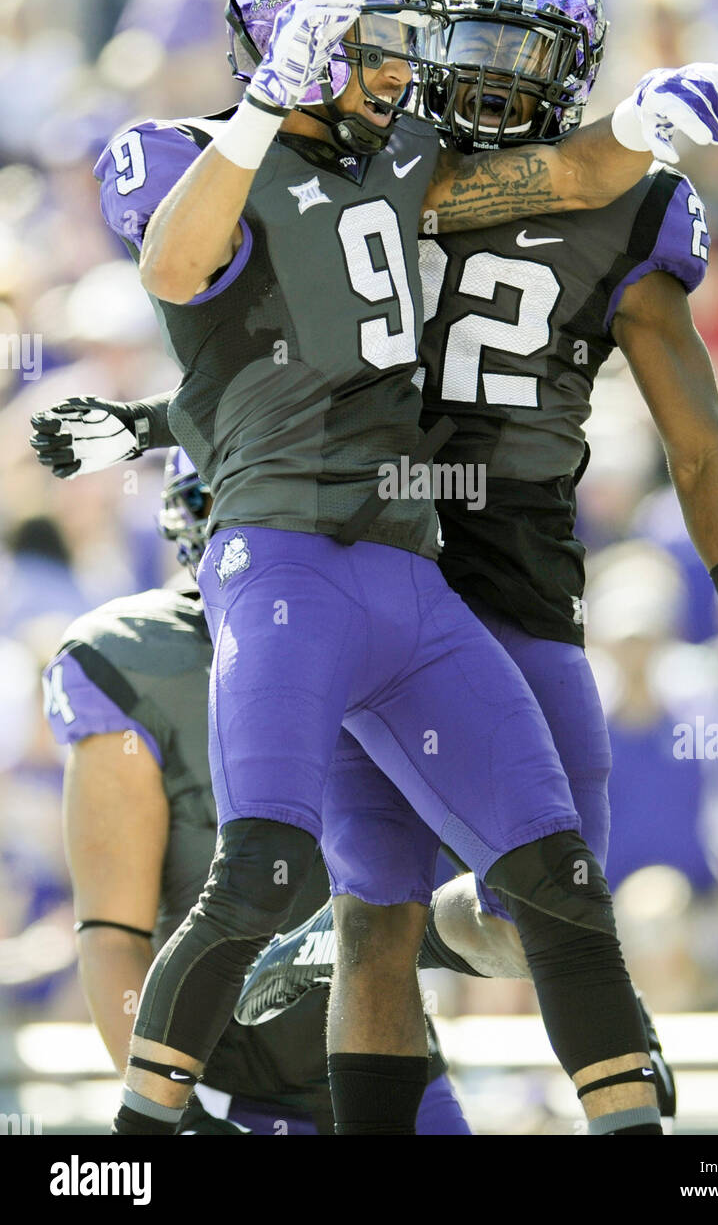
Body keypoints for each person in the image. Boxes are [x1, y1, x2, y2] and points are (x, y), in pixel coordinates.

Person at [31, 0, 718, 1137]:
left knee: (562, 889)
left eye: (410, 41)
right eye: (382, 42)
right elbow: (178, 271)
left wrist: (637, 123)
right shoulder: (174, 150)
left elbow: (556, 180)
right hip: (285, 557)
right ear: (284, 44)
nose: (408, 71)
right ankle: (136, 1152)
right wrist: (259, 110)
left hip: (411, 568)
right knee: (263, 876)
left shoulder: (402, 157)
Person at [221, 0, 718, 1077]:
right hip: (372, 543)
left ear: (571, 66)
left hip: (520, 562)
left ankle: (349, 947)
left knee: (548, 912)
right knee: (375, 919)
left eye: (518, 47)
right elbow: (248, 324)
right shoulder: (382, 156)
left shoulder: (627, 207)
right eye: (471, 40)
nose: (490, 72)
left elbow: (701, 444)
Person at [43, 448, 470, 1135]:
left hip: (401, 1068)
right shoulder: (134, 660)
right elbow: (110, 932)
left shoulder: (390, 635)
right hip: (231, 1095)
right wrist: (170, 1113)